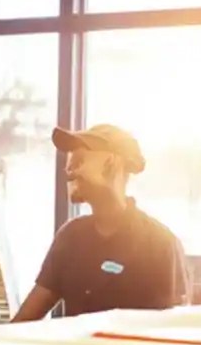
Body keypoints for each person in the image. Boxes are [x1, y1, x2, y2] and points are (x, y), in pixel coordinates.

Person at [13, 124, 188, 321]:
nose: (68, 170)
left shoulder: (160, 244)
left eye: (78, 161)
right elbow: (24, 320)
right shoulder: (71, 237)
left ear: (111, 163)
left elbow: (173, 331)